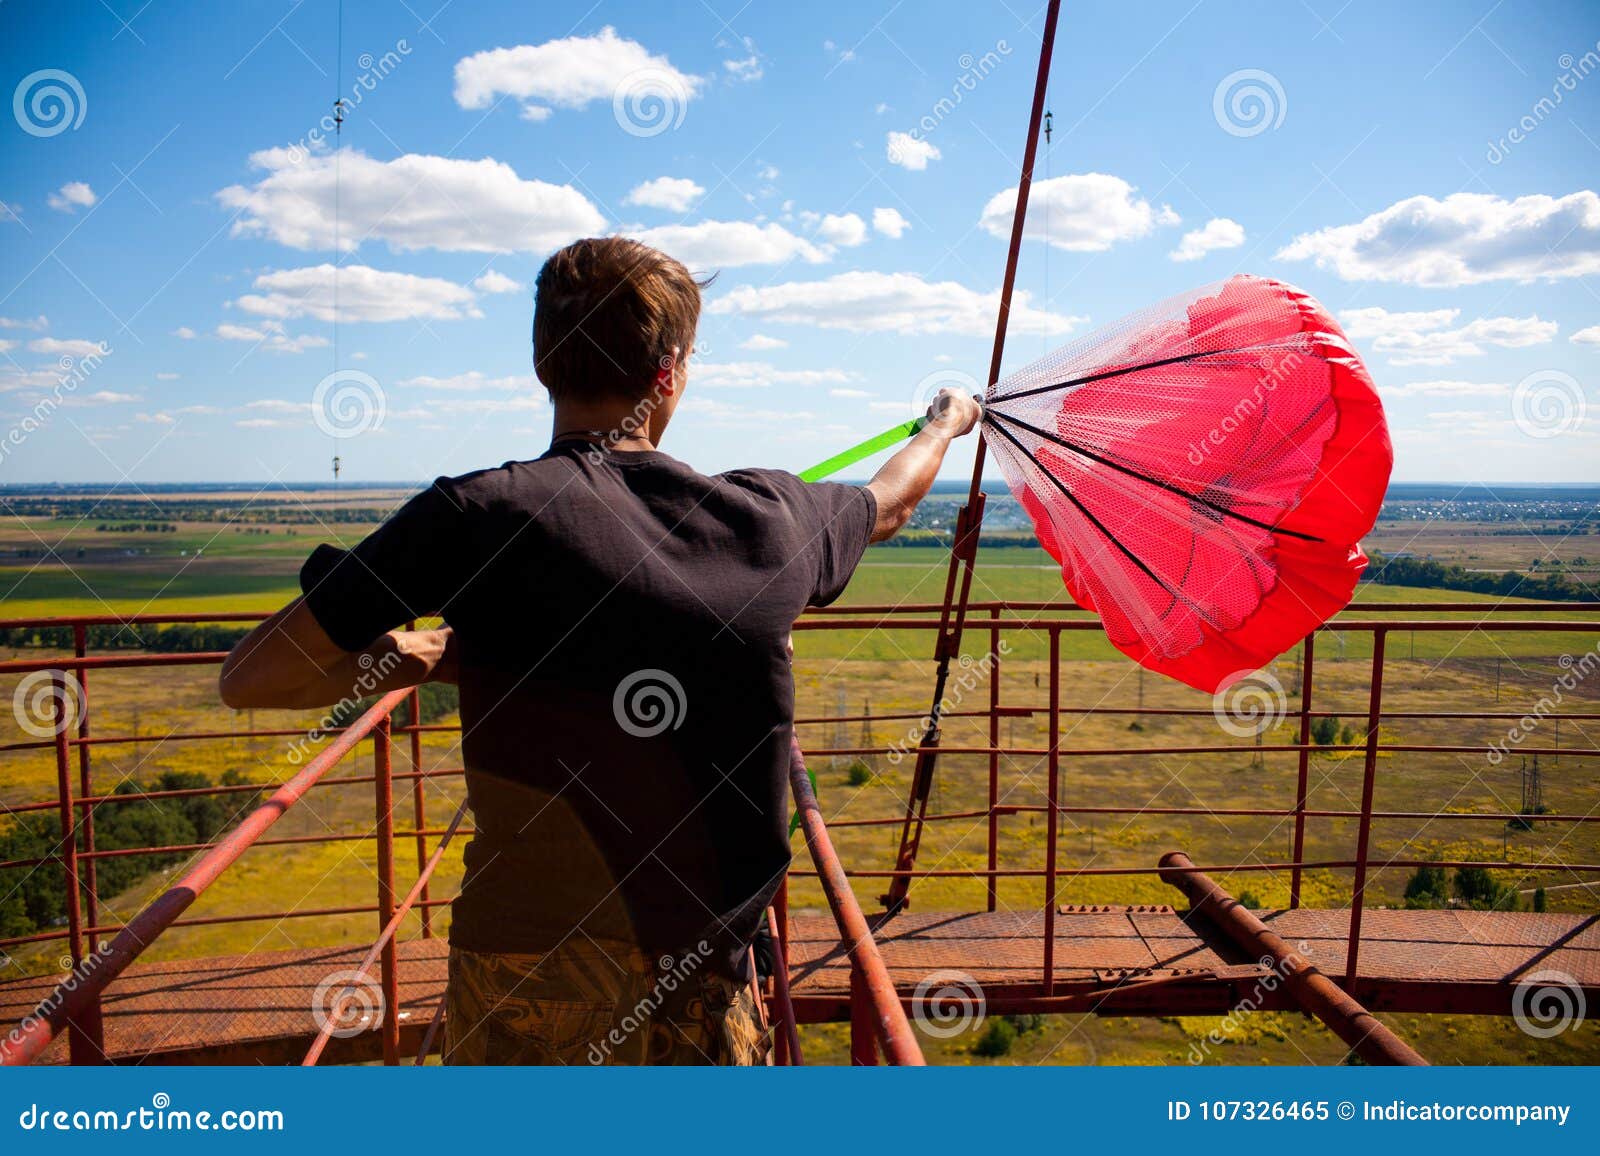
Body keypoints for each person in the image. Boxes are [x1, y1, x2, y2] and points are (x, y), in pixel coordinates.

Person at [219, 236, 982, 1065]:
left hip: (520, 975)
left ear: (544, 362)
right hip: (703, 974)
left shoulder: (475, 515)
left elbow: (255, 676)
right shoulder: (764, 520)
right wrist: (947, 422)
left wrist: (419, 654)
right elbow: (891, 499)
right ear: (671, 371)